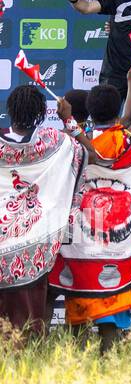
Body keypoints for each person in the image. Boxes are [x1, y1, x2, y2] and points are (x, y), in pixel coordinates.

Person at [52, 74, 131, 353]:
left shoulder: (76, 144)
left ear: (89, 112)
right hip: (118, 236)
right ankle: (108, 359)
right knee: (111, 309)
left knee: (79, 299)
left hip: (81, 235)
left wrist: (69, 124)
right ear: (116, 112)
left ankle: (75, 361)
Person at [0, 85, 82, 342]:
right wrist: (68, 119)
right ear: (40, 113)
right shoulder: (55, 142)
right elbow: (85, 151)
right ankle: (30, 358)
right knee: (29, 318)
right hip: (33, 248)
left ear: (10, 111)